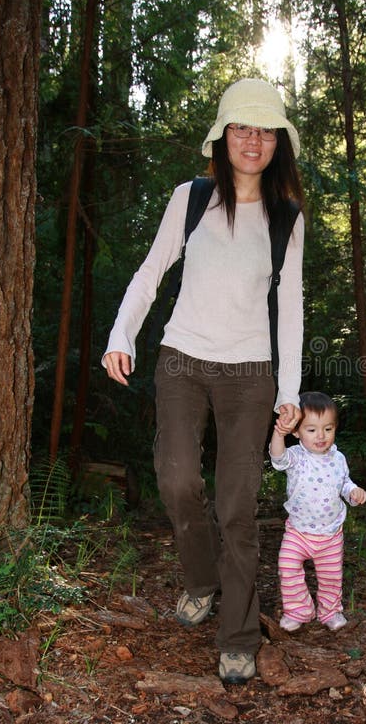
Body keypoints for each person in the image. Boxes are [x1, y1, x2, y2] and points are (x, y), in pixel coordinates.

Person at [103, 78, 305, 683]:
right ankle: (200, 579)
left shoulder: (286, 218)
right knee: (178, 482)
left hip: (250, 375)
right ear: (222, 137)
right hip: (182, 360)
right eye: (241, 127)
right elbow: (150, 272)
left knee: (238, 506)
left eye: (265, 130)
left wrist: (289, 391)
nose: (253, 139)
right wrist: (122, 333)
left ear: (277, 143)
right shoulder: (189, 199)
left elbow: (291, 307)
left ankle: (238, 635)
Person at [269, 391, 366, 632]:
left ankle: (330, 611)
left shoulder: (338, 458)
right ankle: (299, 610)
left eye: (328, 429)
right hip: (298, 532)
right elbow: (277, 457)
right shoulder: (296, 457)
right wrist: (278, 434)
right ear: (297, 431)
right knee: (287, 567)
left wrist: (353, 492)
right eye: (311, 430)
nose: (321, 436)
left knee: (331, 578)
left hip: (330, 534)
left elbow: (344, 483)